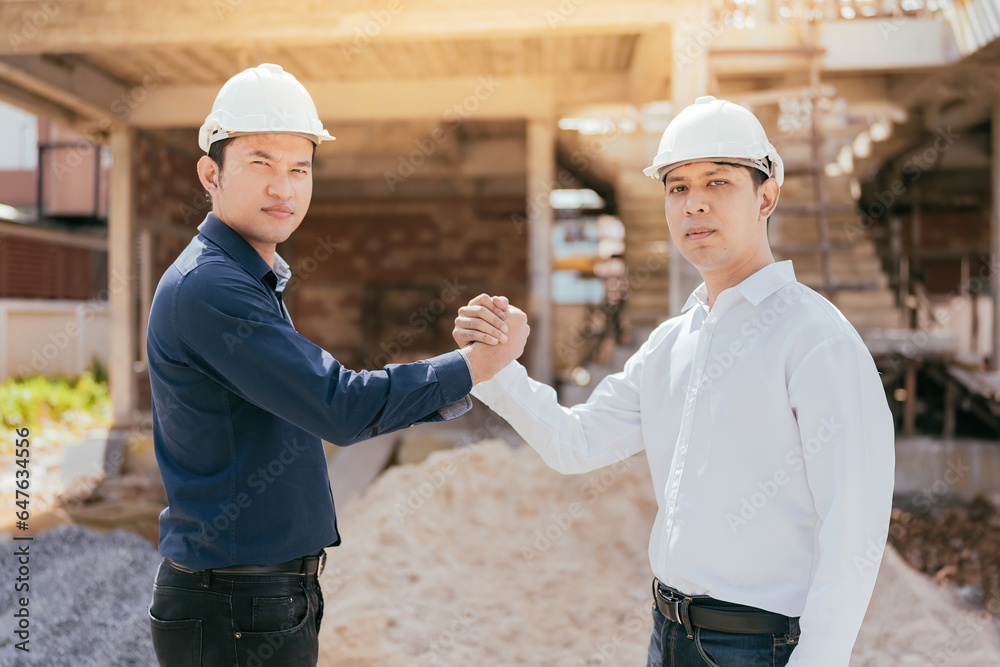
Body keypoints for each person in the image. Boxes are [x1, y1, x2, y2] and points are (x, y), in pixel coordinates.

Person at [454, 96, 895, 667]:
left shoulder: (815, 339)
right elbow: (575, 442)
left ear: (767, 195)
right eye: (678, 187)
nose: (695, 204)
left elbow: (854, 527)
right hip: (669, 635)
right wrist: (491, 367)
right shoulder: (673, 343)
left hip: (759, 646)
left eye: (718, 182)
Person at [145, 63, 527, 667]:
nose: (284, 187)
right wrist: (472, 365)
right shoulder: (211, 288)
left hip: (256, 596)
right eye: (261, 163)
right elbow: (340, 405)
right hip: (235, 605)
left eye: (300, 168)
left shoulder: (242, 278)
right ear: (210, 174)